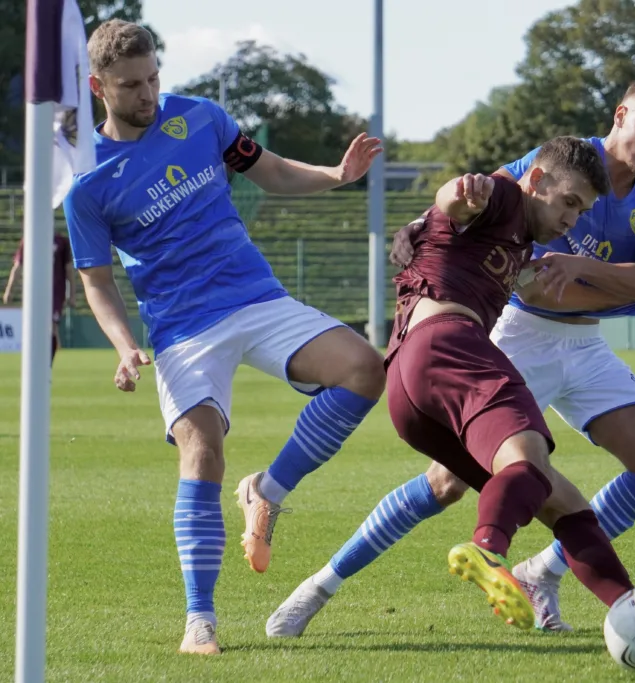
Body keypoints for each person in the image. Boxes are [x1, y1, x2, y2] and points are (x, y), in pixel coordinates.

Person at [267, 77, 635, 654]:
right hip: (506, 337)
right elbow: (477, 204)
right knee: (451, 484)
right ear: (620, 116)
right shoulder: (560, 162)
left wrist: (575, 272)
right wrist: (435, 213)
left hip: (584, 344)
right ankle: (319, 587)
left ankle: (588, 594)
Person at [64, 20, 386, 655]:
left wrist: (336, 175)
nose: (149, 94)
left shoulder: (201, 118)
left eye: (154, 78)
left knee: (363, 369)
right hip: (183, 328)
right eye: (132, 86)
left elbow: (268, 171)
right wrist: (125, 345)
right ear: (100, 87)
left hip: (256, 297)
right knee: (202, 448)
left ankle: (266, 490)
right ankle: (199, 621)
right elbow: (96, 282)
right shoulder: (86, 181)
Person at [3, 233, 75, 365]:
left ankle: (46, 365)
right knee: (36, 326)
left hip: (55, 291)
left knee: (52, 326)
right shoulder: (30, 238)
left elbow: (69, 269)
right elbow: (18, 266)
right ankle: (39, 362)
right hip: (33, 292)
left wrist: (72, 294)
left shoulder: (61, 241)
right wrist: (9, 290)